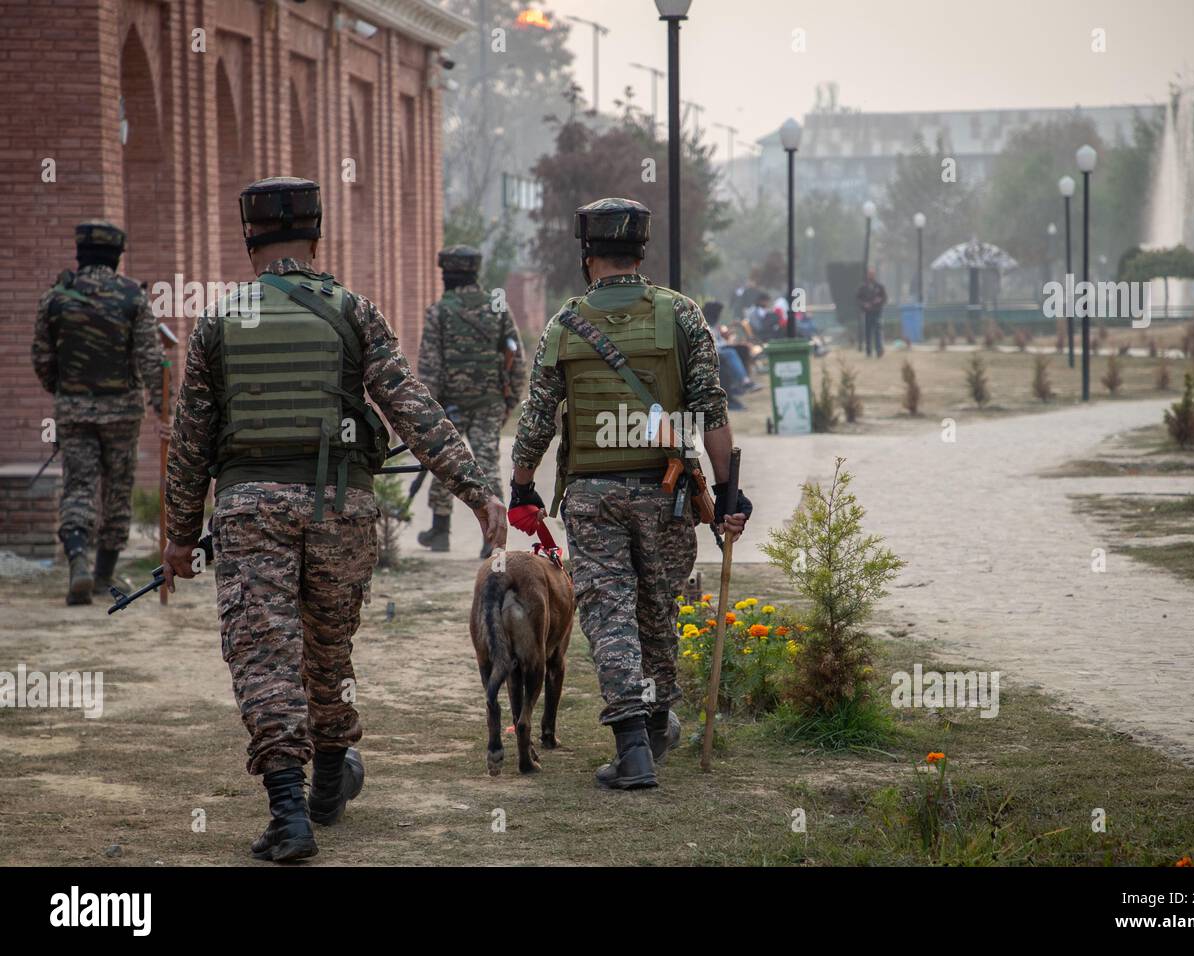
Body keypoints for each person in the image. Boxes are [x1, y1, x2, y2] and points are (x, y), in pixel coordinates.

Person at [161, 177, 507, 863]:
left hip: (249, 509)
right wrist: (476, 488)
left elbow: (191, 438)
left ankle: (290, 813)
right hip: (340, 511)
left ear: (248, 238)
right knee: (327, 651)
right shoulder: (353, 312)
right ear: (317, 238)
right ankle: (328, 780)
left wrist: (176, 536)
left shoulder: (219, 322)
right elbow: (412, 406)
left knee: (263, 657)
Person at [509, 197, 752, 791]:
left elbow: (538, 418)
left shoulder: (565, 324)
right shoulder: (683, 316)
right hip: (664, 491)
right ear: (640, 249)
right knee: (656, 610)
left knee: (609, 613)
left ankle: (633, 748)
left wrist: (521, 487)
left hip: (593, 496)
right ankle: (656, 721)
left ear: (587, 253)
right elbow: (711, 409)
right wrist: (728, 494)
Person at [31, 221, 166, 605]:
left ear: (80, 253)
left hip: (74, 410)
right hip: (122, 411)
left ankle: (78, 563)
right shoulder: (131, 297)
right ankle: (104, 574)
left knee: (78, 487)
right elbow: (150, 358)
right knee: (117, 491)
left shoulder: (57, 297)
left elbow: (42, 358)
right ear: (117, 256)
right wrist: (162, 407)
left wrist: (63, 392)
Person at [416, 245, 525, 558]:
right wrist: (508, 404)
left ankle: (440, 529)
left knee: (444, 462)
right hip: (489, 403)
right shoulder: (498, 308)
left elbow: (430, 368)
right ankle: (493, 539)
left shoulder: (439, 310)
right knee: (488, 466)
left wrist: (429, 413)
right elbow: (516, 360)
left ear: (447, 274)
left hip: (450, 406)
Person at [703, 300, 755, 410]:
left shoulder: (714, 325)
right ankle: (744, 381)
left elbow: (720, 340)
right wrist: (727, 344)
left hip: (720, 348)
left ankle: (739, 385)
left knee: (742, 349)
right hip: (711, 352)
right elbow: (713, 344)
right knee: (730, 353)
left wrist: (730, 342)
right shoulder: (703, 324)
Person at [857, 267, 888, 358]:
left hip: (877, 312)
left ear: (875, 275)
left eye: (873, 274)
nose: (871, 276)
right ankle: (868, 351)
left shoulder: (879, 286)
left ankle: (879, 351)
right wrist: (864, 305)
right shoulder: (863, 287)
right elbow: (858, 298)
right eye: (869, 274)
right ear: (867, 275)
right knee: (868, 332)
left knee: (878, 332)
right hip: (867, 313)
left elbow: (885, 298)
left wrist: (879, 300)